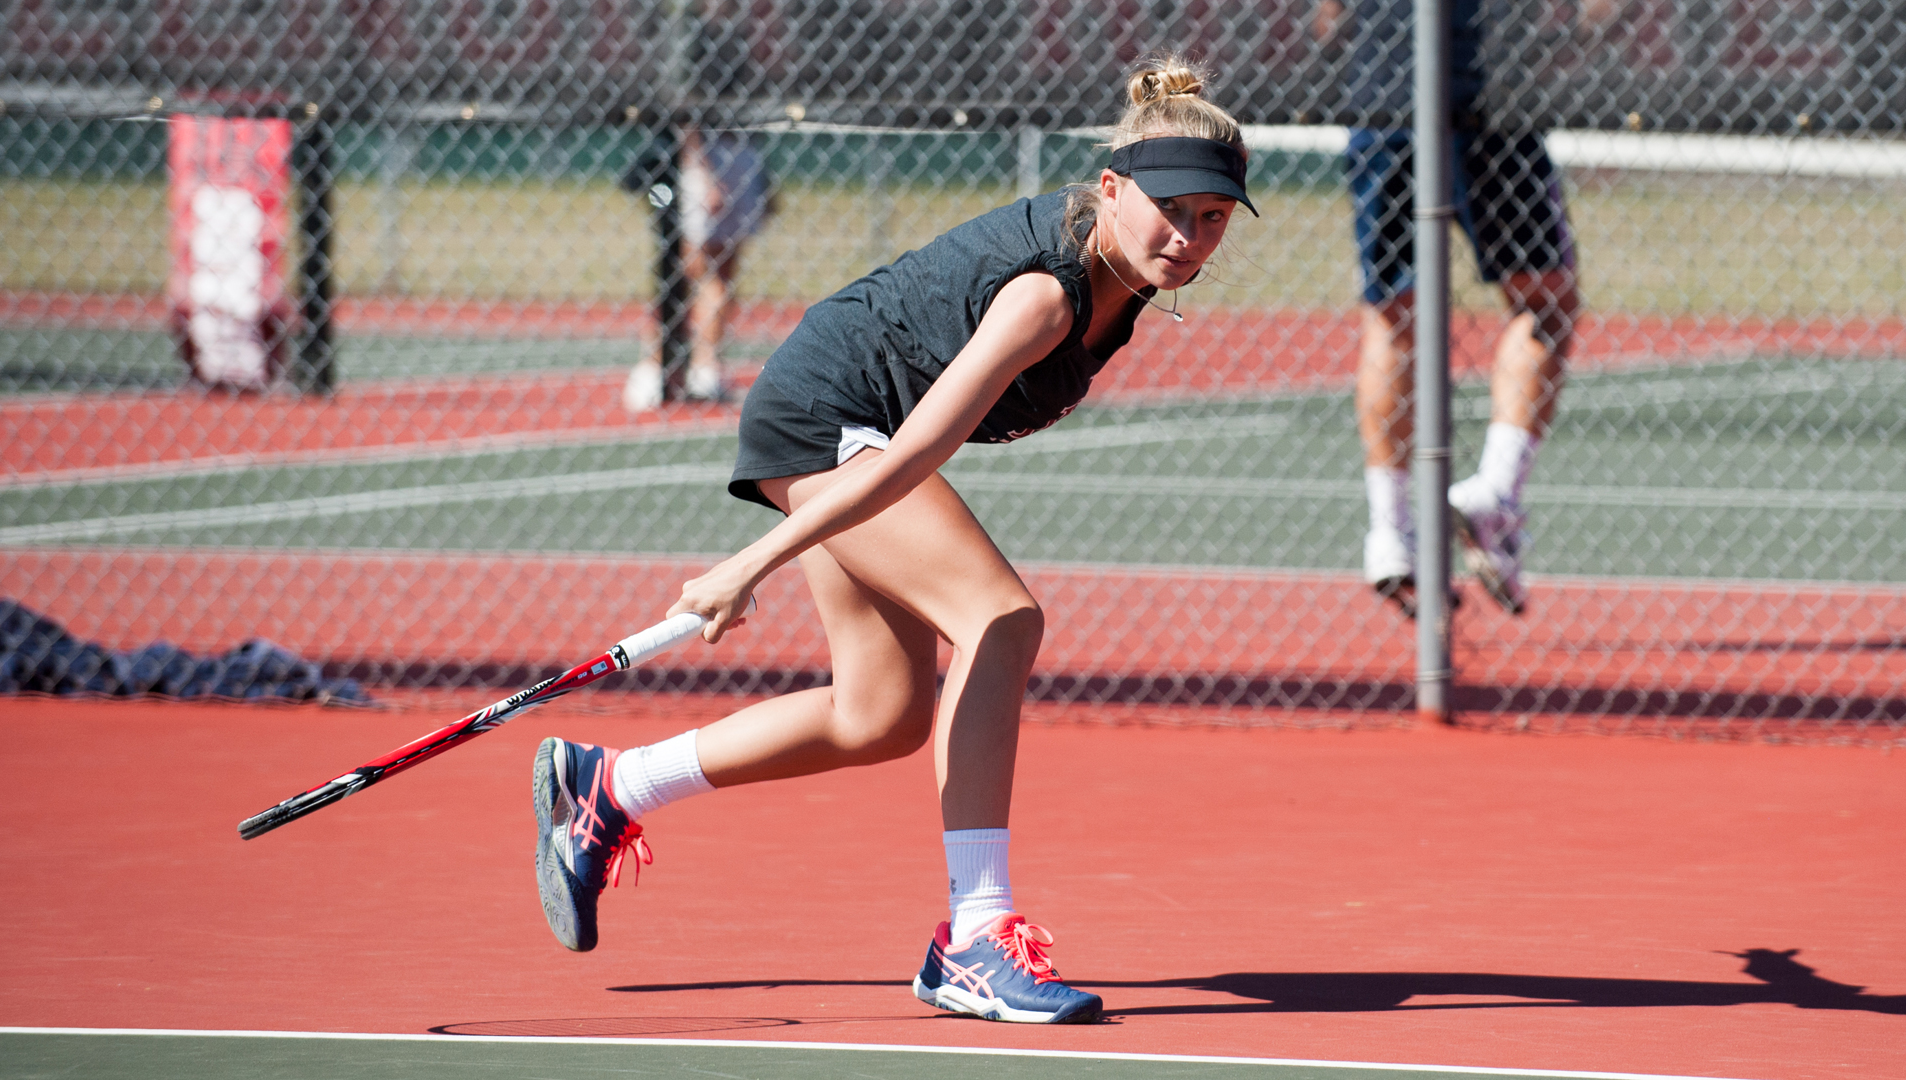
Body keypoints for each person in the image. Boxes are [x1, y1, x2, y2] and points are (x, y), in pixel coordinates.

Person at [536, 56, 1253, 1024]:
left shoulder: (1127, 277)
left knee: (882, 714)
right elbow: (907, 458)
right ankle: (975, 938)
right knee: (1001, 618)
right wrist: (752, 564)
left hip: (859, 426)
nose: (1189, 236)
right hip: (831, 418)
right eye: (1171, 208)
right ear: (1113, 190)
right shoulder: (1046, 294)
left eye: (1212, 217)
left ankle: (612, 786)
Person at [1316, 0, 1582, 616]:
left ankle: (1391, 534)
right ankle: (1494, 492)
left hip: (1387, 82)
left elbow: (1328, 20)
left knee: (1392, 316)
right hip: (1486, 85)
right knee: (1547, 301)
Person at [625, 128, 775, 410]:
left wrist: (762, 174)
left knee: (723, 274)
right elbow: (686, 112)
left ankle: (705, 370)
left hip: (741, 151)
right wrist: (701, 167)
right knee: (684, 272)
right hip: (705, 153)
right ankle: (654, 364)